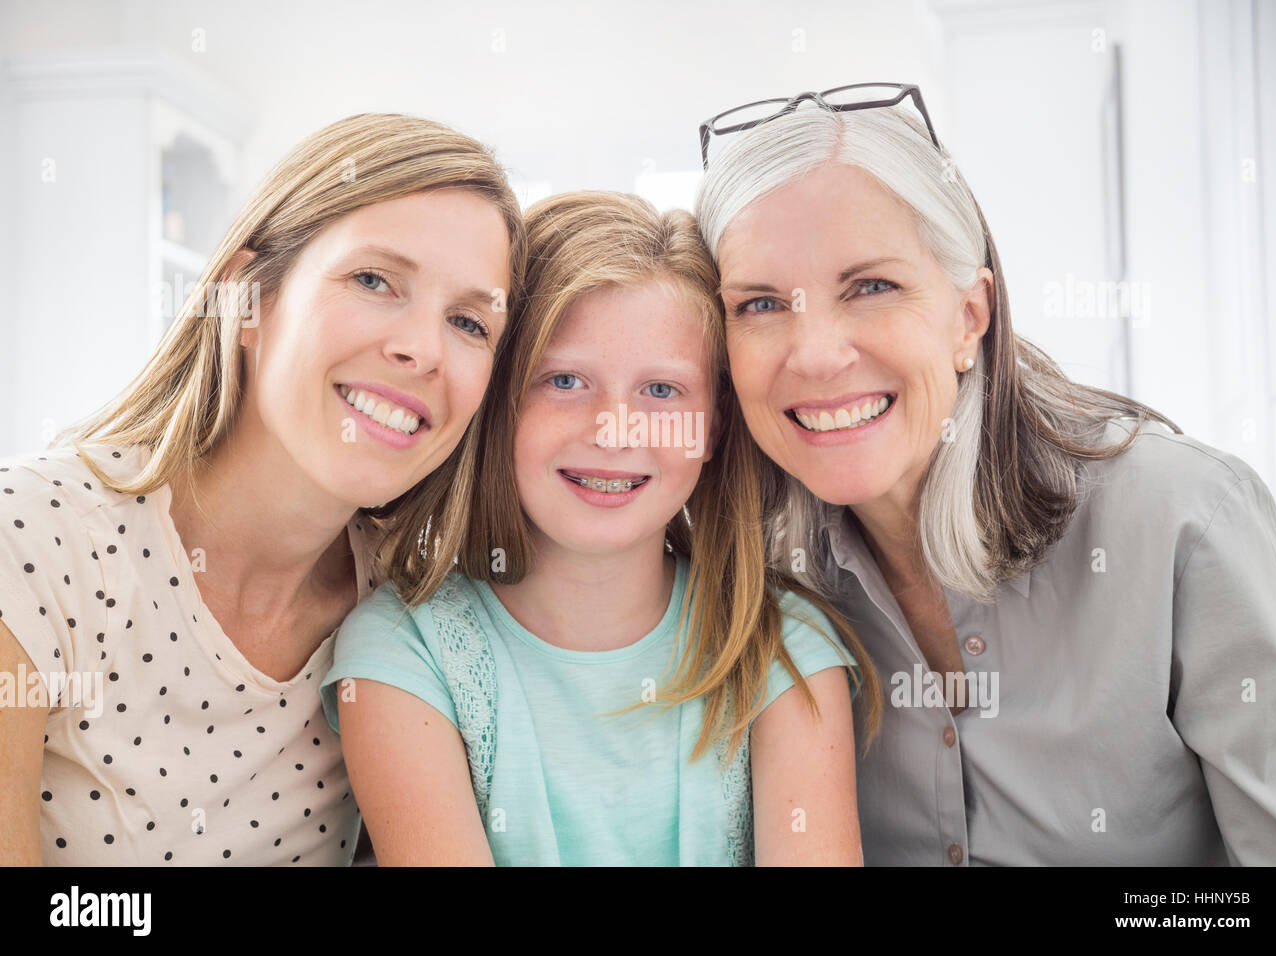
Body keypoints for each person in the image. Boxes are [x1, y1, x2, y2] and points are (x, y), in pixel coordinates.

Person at [693, 83, 1276, 865]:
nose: (815, 354)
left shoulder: (1184, 520)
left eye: (870, 287)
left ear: (969, 315)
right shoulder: (758, 587)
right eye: (761, 304)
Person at [0, 112, 524, 865]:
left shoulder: (408, 619)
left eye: (470, 323)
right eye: (374, 280)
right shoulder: (31, 545)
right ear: (245, 297)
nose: (421, 349)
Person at [320, 191, 881, 865]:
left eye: (662, 391)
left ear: (715, 424)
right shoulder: (403, 651)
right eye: (564, 381)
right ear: (498, 398)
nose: (615, 429)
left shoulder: (783, 648)